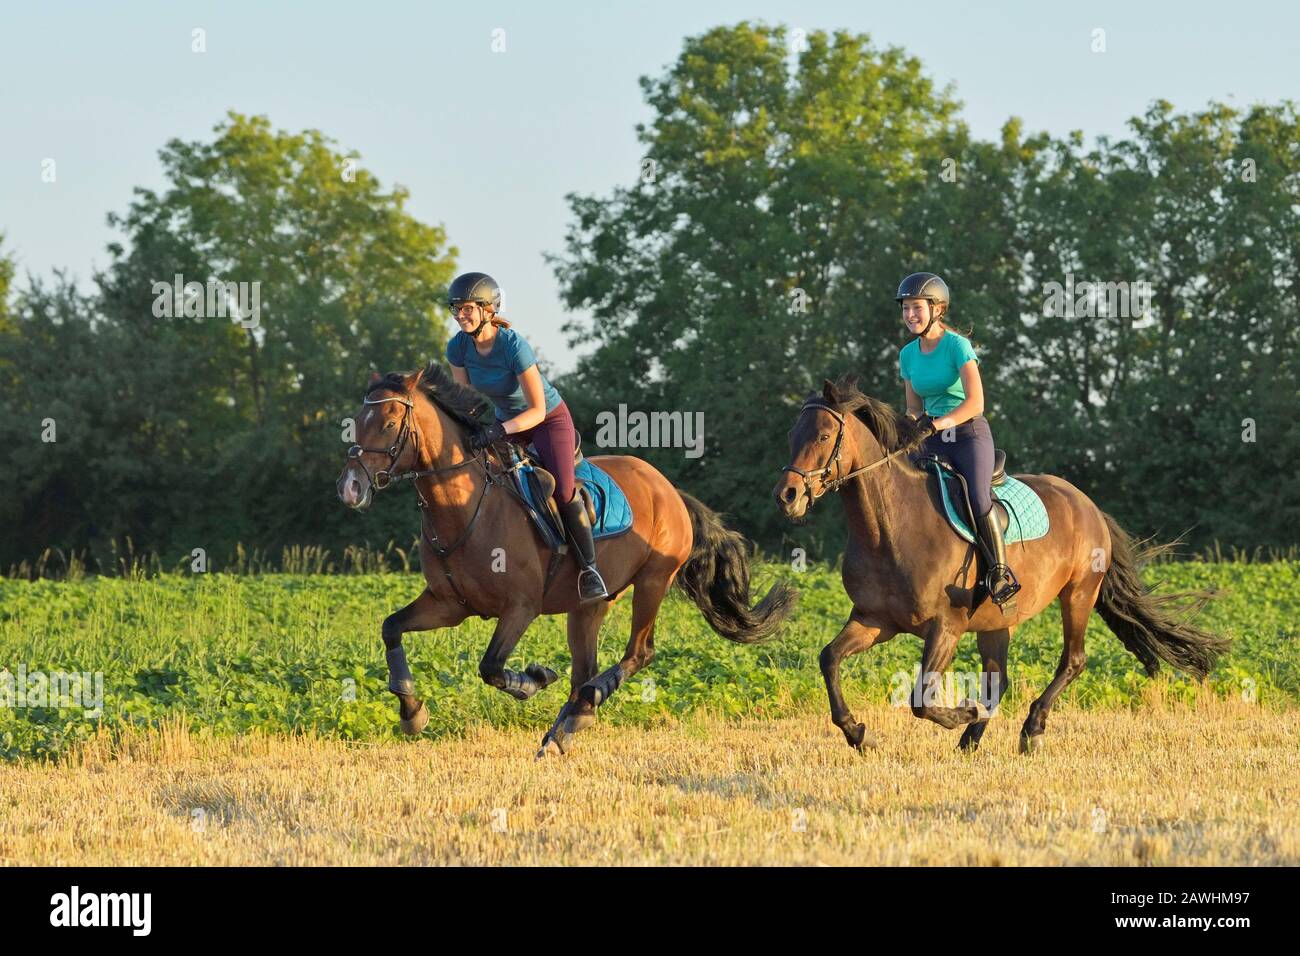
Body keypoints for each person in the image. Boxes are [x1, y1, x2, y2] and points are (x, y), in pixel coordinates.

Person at [444, 271, 608, 601]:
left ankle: (590, 571)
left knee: (562, 491)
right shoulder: (458, 348)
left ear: (488, 310)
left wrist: (498, 430)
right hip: (506, 423)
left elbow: (535, 410)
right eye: (455, 309)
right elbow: (465, 400)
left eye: (467, 308)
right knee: (491, 482)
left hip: (547, 420)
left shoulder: (513, 346)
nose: (460, 315)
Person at [896, 271, 1020, 606]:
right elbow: (912, 407)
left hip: (967, 434)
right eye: (905, 308)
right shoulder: (907, 355)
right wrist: (909, 430)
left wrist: (939, 424)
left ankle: (998, 572)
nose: (910, 315)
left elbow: (976, 402)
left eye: (916, 308)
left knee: (978, 498)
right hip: (929, 437)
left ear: (937, 309)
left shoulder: (957, 346)